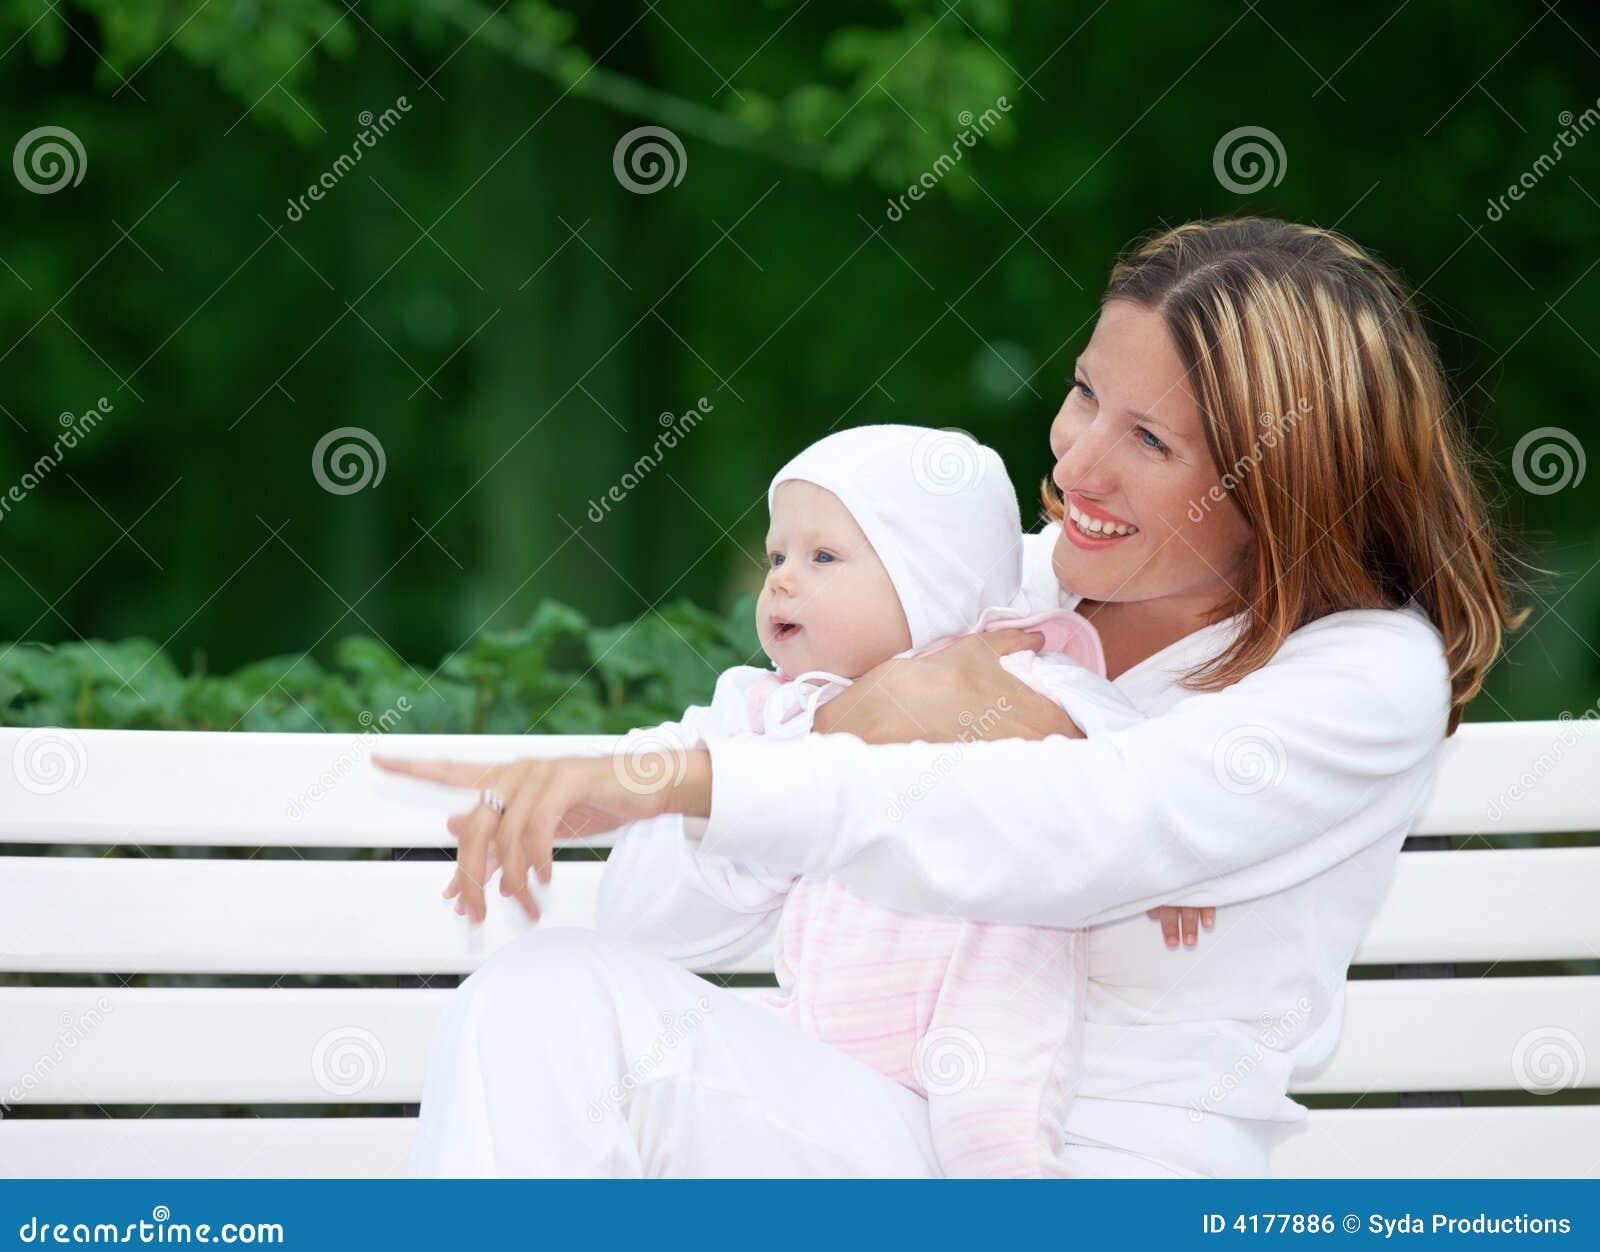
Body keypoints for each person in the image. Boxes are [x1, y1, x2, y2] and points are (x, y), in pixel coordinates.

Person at [374, 217, 1524, 1178]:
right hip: (884, 1137)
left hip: (1106, 1186)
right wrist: (833, 724)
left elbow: (1080, 830)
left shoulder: (1366, 672)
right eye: (1083, 394)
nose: (1075, 463)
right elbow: (655, 922)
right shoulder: (981, 587)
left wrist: (703, 773)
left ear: (1279, 481)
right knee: (547, 999)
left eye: (1150, 440)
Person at [595, 422, 1190, 1179]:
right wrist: (804, 750)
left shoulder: (1026, 678)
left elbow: (1138, 774)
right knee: (679, 1080)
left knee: (993, 1133)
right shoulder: (776, 709)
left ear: (932, 580)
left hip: (984, 993)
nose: (780, 578)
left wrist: (1176, 865)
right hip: (826, 1029)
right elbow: (644, 880)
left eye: (823, 557)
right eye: (779, 555)